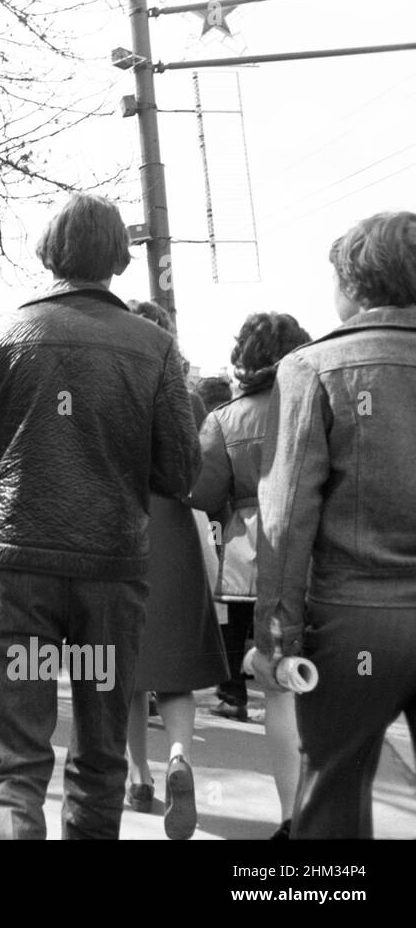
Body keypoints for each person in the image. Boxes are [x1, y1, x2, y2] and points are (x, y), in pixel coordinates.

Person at [0, 192, 200, 839]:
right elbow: (181, 471)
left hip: (15, 570)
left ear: (50, 249)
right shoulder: (153, 345)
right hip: (109, 575)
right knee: (100, 755)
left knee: (16, 763)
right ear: (118, 256)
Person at [250, 211, 416, 839]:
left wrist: (275, 639)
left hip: (355, 618)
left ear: (354, 283)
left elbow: (287, 516)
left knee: (334, 803)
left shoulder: (313, 367)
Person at [187, 311, 312, 839]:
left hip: (257, 561)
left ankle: (292, 817)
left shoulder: (224, 420)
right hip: (324, 558)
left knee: (279, 687)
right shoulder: (321, 400)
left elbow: (201, 496)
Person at [121, 299, 229, 841]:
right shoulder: (185, 399)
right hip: (174, 533)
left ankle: (138, 778)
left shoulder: (110, 387)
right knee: (176, 668)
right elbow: (196, 472)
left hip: (122, 531)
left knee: (127, 668)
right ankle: (180, 756)